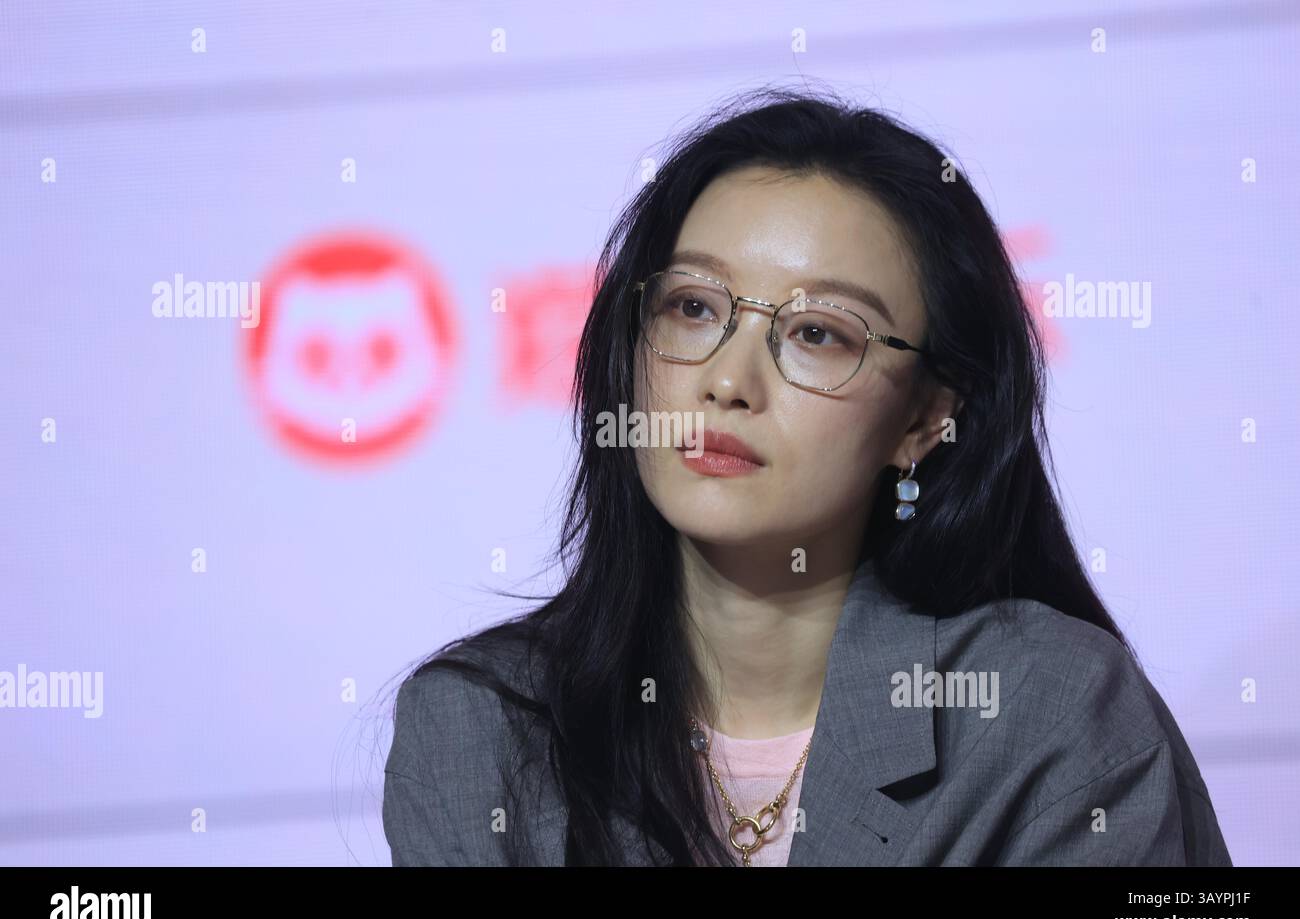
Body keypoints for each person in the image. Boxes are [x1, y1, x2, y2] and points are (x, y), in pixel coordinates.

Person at [382, 86, 1232, 866]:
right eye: (694, 307)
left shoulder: (1047, 711)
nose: (726, 381)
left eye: (818, 333)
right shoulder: (478, 730)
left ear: (925, 419)